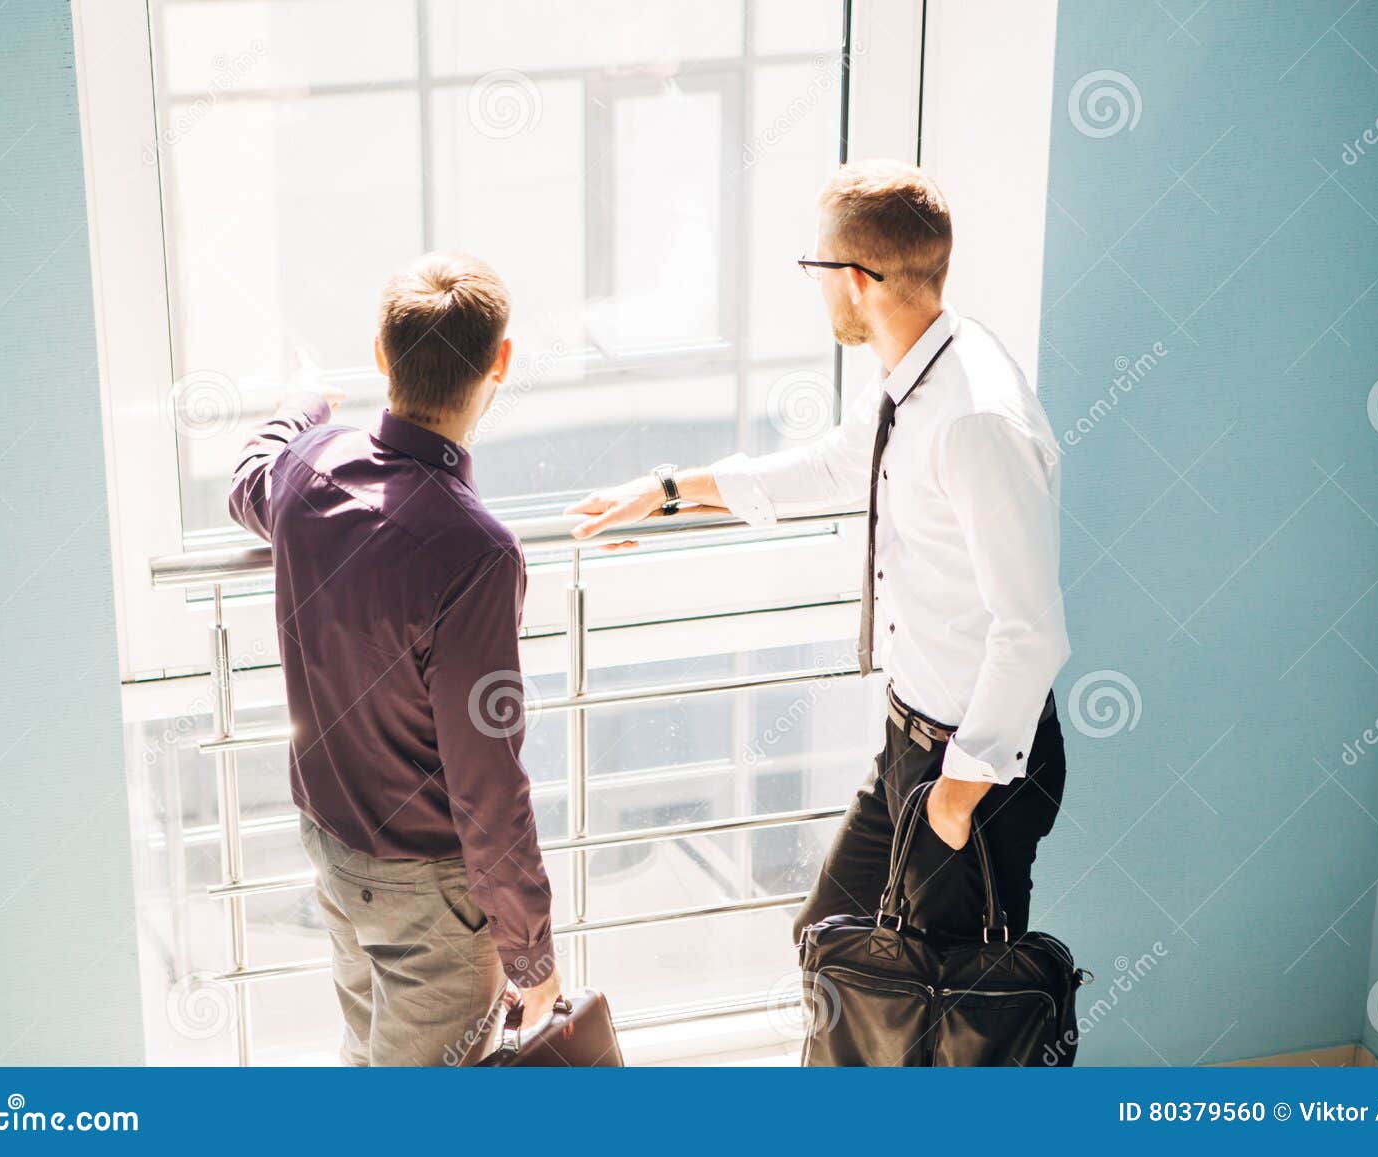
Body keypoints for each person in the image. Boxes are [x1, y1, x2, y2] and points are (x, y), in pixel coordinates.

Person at [566, 160, 1070, 943]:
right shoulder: (913, 374)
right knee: (829, 943)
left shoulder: (975, 421)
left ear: (860, 279)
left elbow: (1032, 631)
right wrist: (669, 488)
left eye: (818, 267)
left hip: (972, 767)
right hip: (912, 743)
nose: (816, 284)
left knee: (953, 1014)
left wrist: (956, 795)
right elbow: (836, 465)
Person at [228, 253, 559, 1066]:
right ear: (501, 363)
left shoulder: (310, 468)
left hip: (334, 848)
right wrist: (530, 952)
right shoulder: (478, 551)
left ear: (381, 354)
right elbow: (486, 776)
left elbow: (245, 480)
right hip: (428, 894)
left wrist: (300, 407)